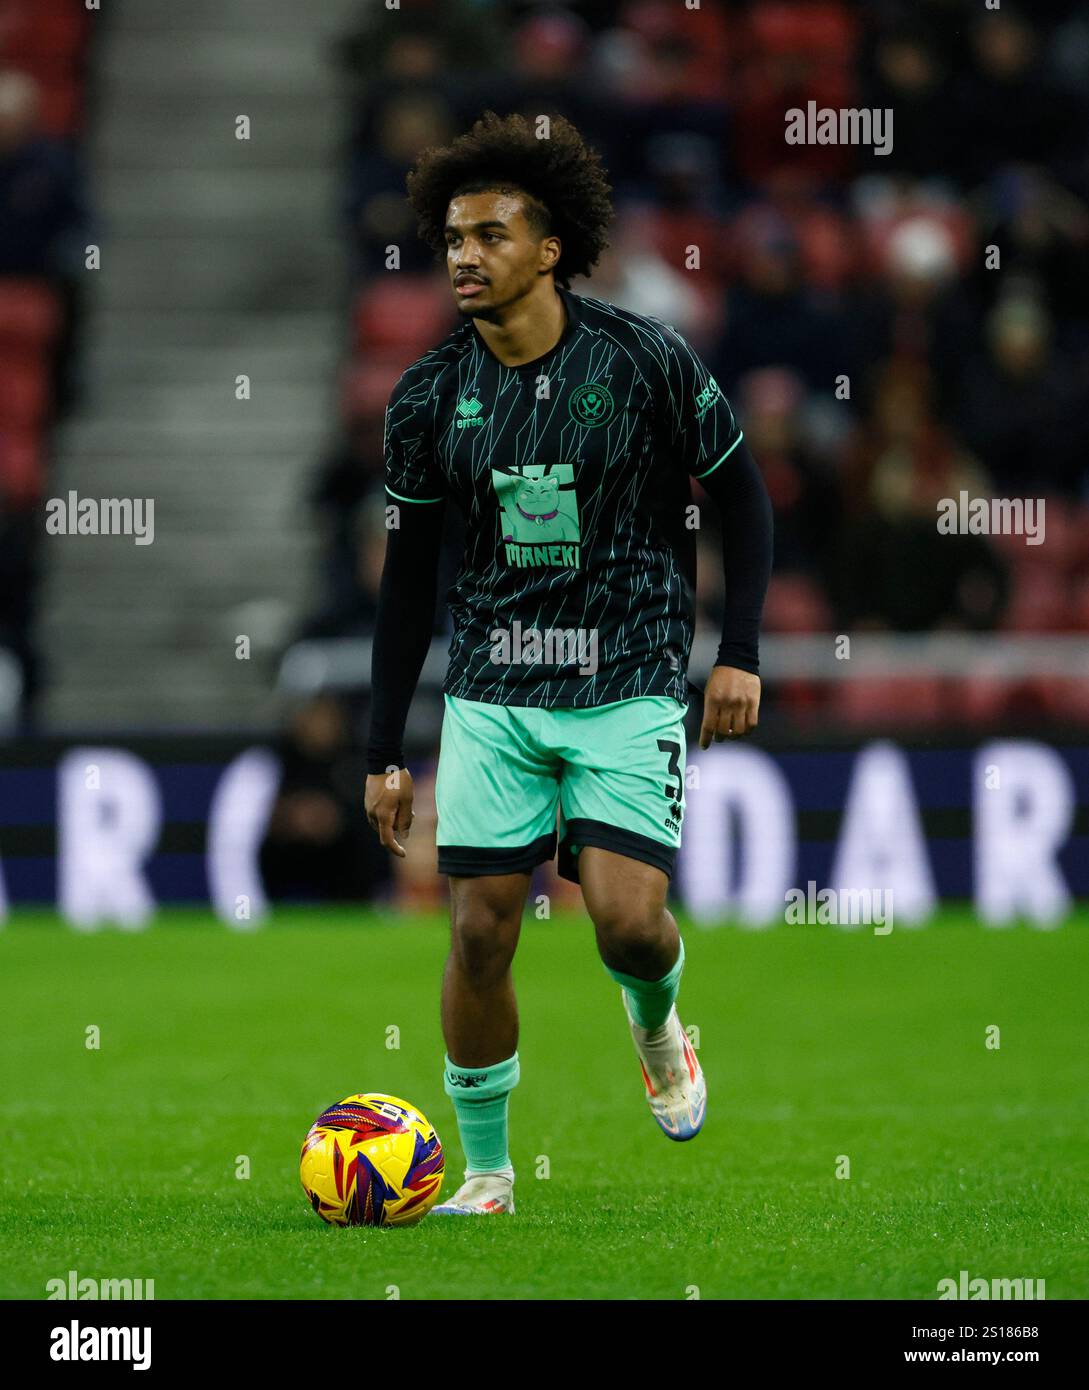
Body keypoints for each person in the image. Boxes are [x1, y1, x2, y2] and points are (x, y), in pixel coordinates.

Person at [364, 112, 772, 1215]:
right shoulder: (425, 400)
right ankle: (488, 1172)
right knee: (481, 928)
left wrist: (737, 652)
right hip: (493, 688)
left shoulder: (642, 359)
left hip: (629, 674)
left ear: (549, 250)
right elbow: (407, 585)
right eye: (452, 236)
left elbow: (742, 490)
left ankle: (658, 1025)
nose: (462, 255)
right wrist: (383, 749)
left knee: (628, 921)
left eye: (490, 234)